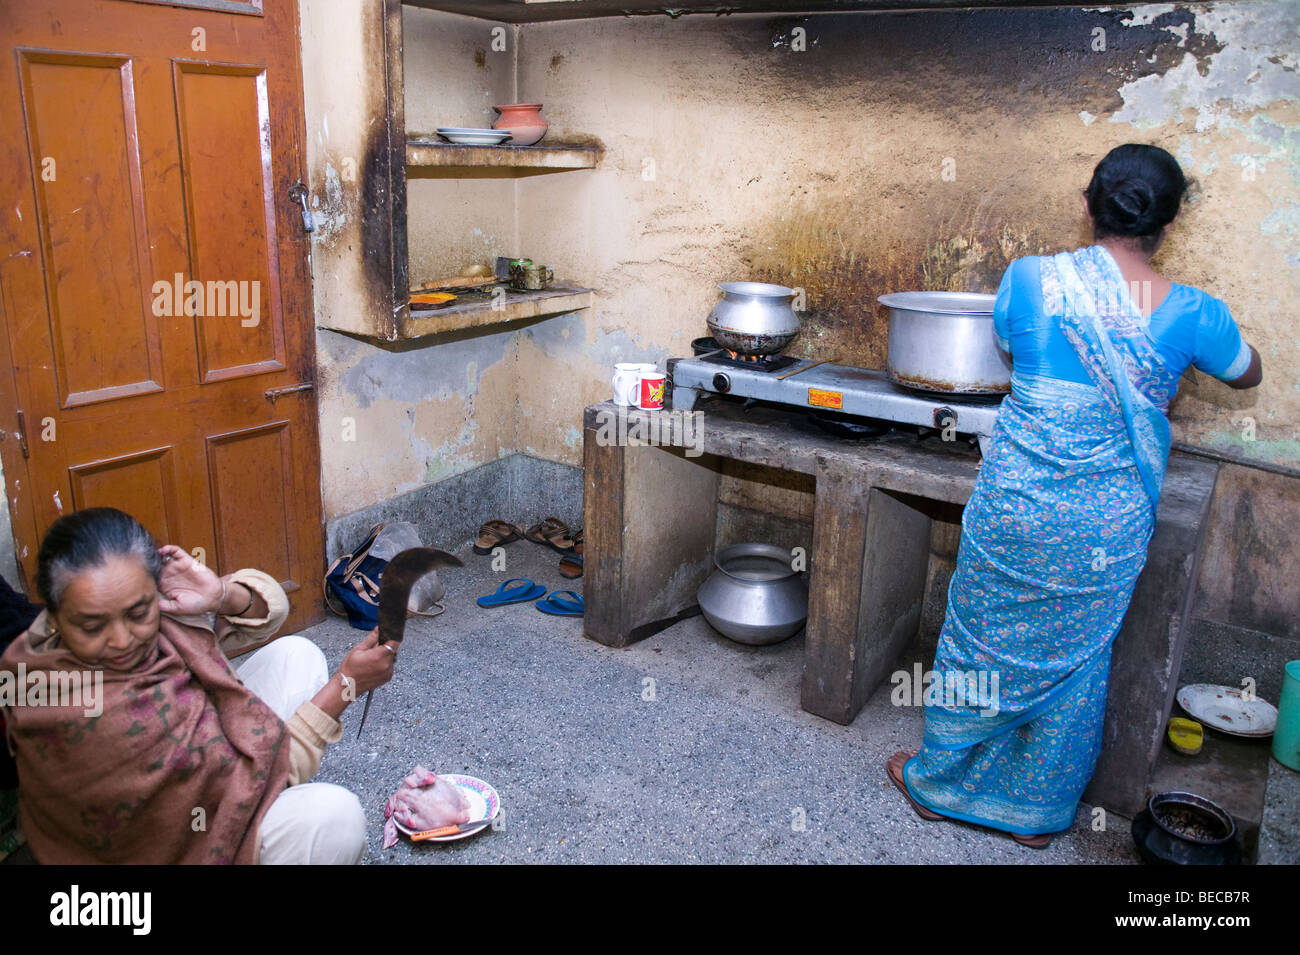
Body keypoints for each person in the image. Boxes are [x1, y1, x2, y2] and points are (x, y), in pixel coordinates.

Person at [887, 143, 1262, 848]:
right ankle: (1037, 814)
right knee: (1078, 662)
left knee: (979, 642)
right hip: (1103, 527)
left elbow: (1005, 339)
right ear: (1170, 222)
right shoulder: (1195, 314)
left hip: (1017, 507)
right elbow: (1248, 374)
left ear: (1088, 204)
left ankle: (939, 784)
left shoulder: (1031, 279)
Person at [0, 507, 400, 864]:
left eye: (138, 612)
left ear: (153, 590)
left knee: (296, 655)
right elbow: (245, 787)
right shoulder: (80, 713)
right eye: (92, 626)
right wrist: (346, 686)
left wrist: (220, 594)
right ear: (54, 617)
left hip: (204, 769)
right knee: (332, 820)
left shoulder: (114, 622)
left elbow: (270, 608)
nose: (122, 640)